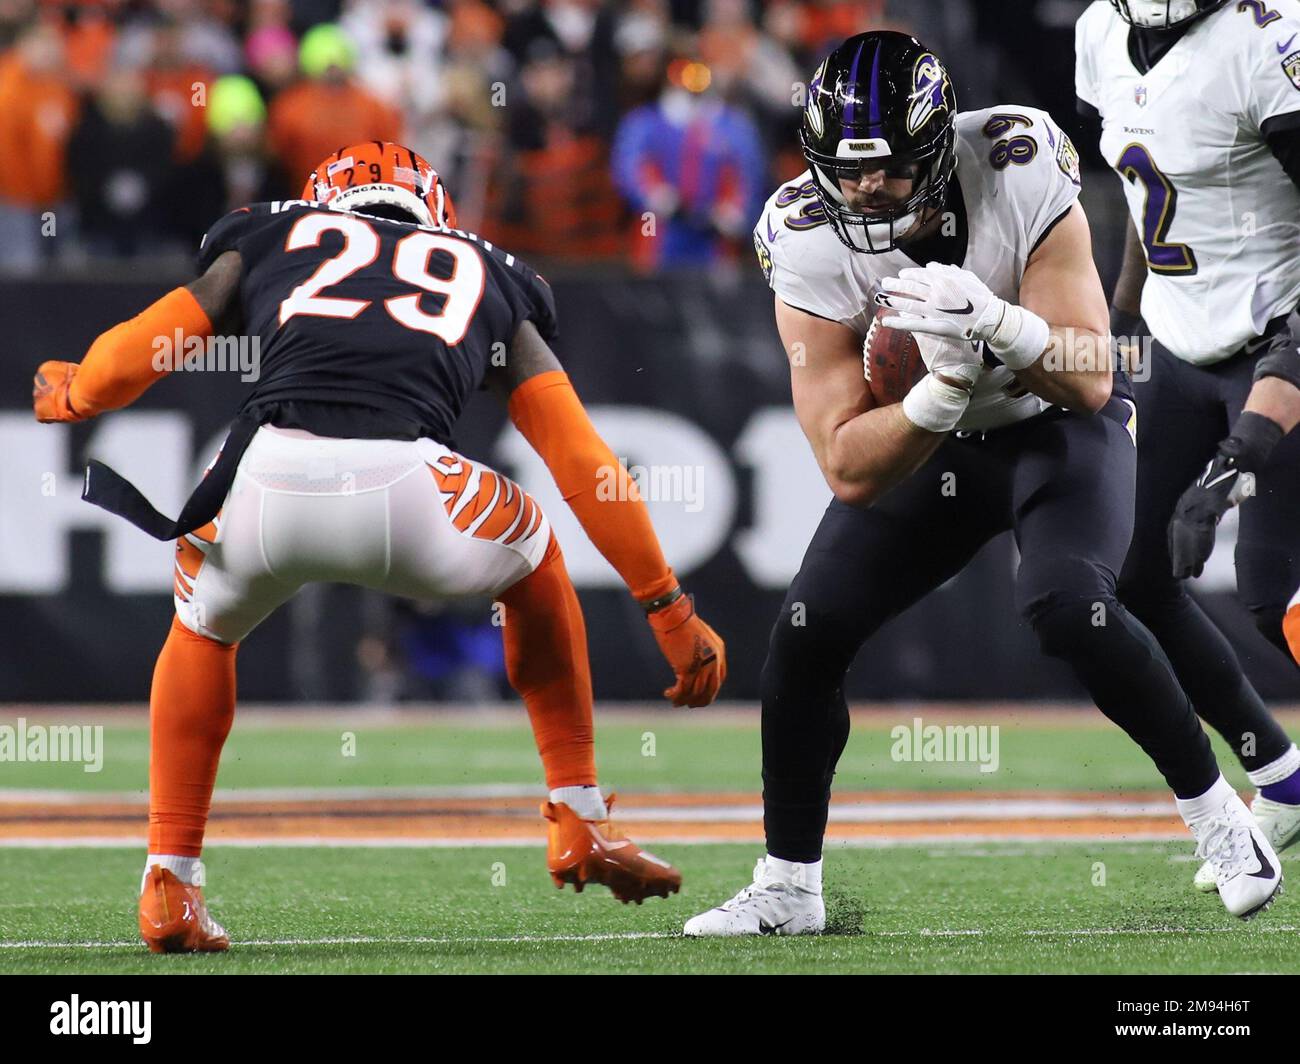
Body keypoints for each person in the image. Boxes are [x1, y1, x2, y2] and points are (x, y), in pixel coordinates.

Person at [33, 141, 726, 953]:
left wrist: (80, 390)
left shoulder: (272, 235)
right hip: (411, 494)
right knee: (533, 551)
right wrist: (666, 605)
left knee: (202, 629)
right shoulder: (487, 269)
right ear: (433, 209)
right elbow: (580, 459)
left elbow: (156, 339)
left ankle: (170, 882)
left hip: (268, 483)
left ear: (324, 198)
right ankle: (578, 812)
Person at [684, 30, 1279, 936]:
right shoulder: (801, 238)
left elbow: (1090, 374)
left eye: (884, 171)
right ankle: (789, 884)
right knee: (806, 635)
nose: (862, 192)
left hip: (1056, 429)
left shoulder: (1016, 158)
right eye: (844, 173)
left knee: (1066, 603)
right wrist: (939, 392)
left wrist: (996, 322)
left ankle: (1220, 821)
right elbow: (844, 464)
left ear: (934, 145)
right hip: (940, 439)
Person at [1076, 0, 1300, 892]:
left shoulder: (1267, 36)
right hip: (1177, 343)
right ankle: (1281, 777)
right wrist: (1121, 328)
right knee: (1130, 576)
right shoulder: (1101, 33)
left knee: (1272, 592)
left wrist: (1244, 453)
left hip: (1279, 336)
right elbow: (1147, 194)